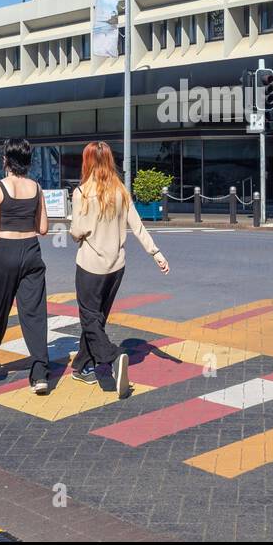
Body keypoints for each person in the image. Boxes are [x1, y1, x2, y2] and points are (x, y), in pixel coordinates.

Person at [69, 140, 169, 397]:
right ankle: (81, 365)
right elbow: (137, 226)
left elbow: (77, 232)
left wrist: (79, 227)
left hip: (91, 267)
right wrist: (155, 253)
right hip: (116, 268)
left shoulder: (82, 193)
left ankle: (112, 357)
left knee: (90, 319)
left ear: (88, 161)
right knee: (96, 319)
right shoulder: (120, 190)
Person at [0, 139, 51, 394]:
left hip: (4, 253)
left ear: (6, 159)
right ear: (27, 160)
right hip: (32, 253)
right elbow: (44, 229)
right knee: (34, 314)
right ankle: (40, 376)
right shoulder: (36, 187)